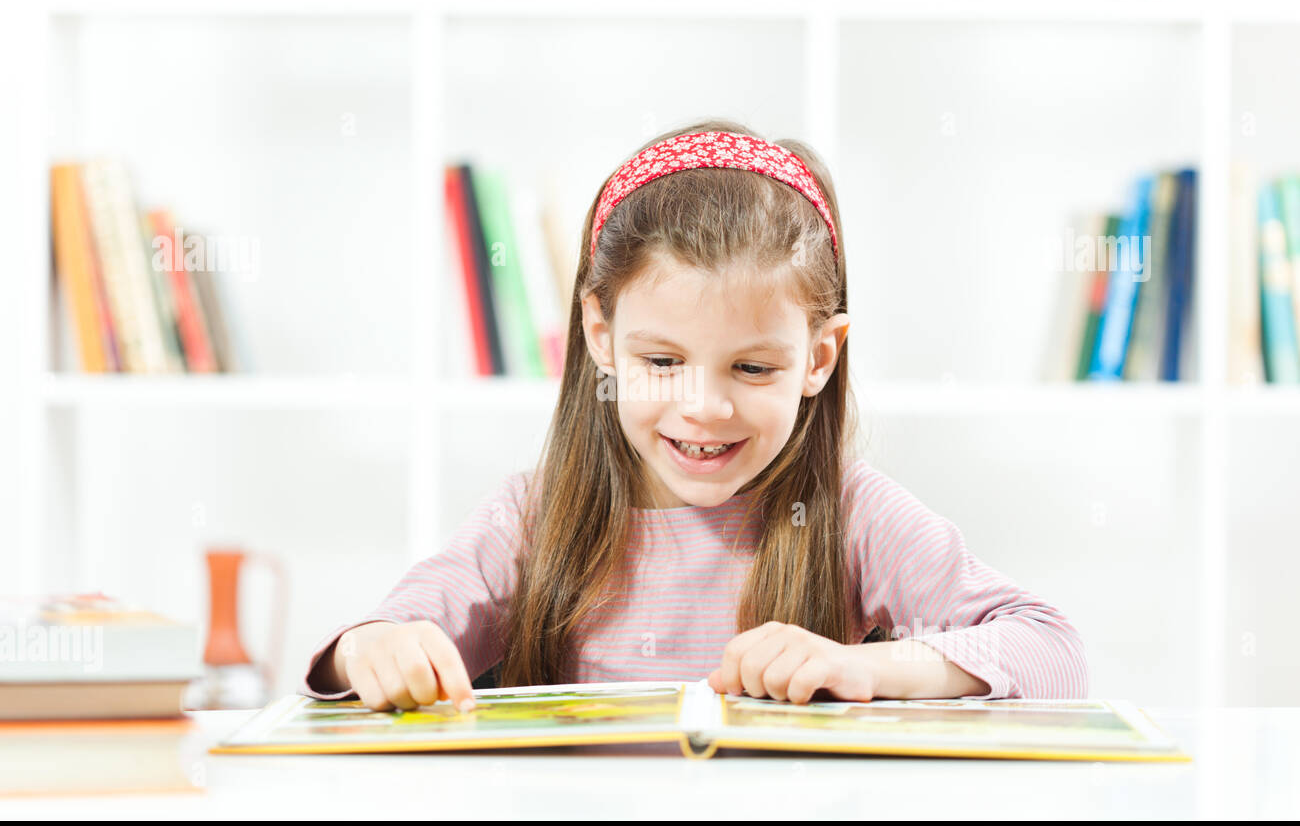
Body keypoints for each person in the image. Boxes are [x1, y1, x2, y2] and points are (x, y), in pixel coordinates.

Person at [302, 119, 1088, 713]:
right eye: (663, 361)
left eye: (753, 367)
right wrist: (374, 649)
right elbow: (368, 648)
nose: (704, 408)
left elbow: (1051, 650)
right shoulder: (532, 516)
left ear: (818, 358)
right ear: (600, 338)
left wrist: (869, 670)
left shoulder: (849, 513)